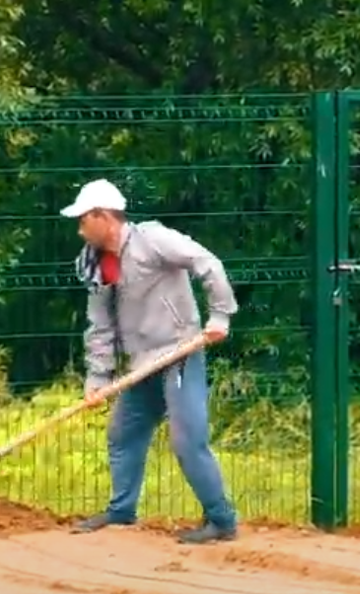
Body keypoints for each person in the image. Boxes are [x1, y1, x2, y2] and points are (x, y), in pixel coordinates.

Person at [62, 178, 240, 544]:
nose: (80, 230)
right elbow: (100, 324)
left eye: (83, 220)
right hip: (142, 363)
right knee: (123, 434)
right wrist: (98, 377)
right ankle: (121, 511)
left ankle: (221, 519)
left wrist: (220, 316)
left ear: (103, 217)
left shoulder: (152, 239)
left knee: (187, 439)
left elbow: (206, 262)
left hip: (179, 352)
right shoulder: (97, 265)